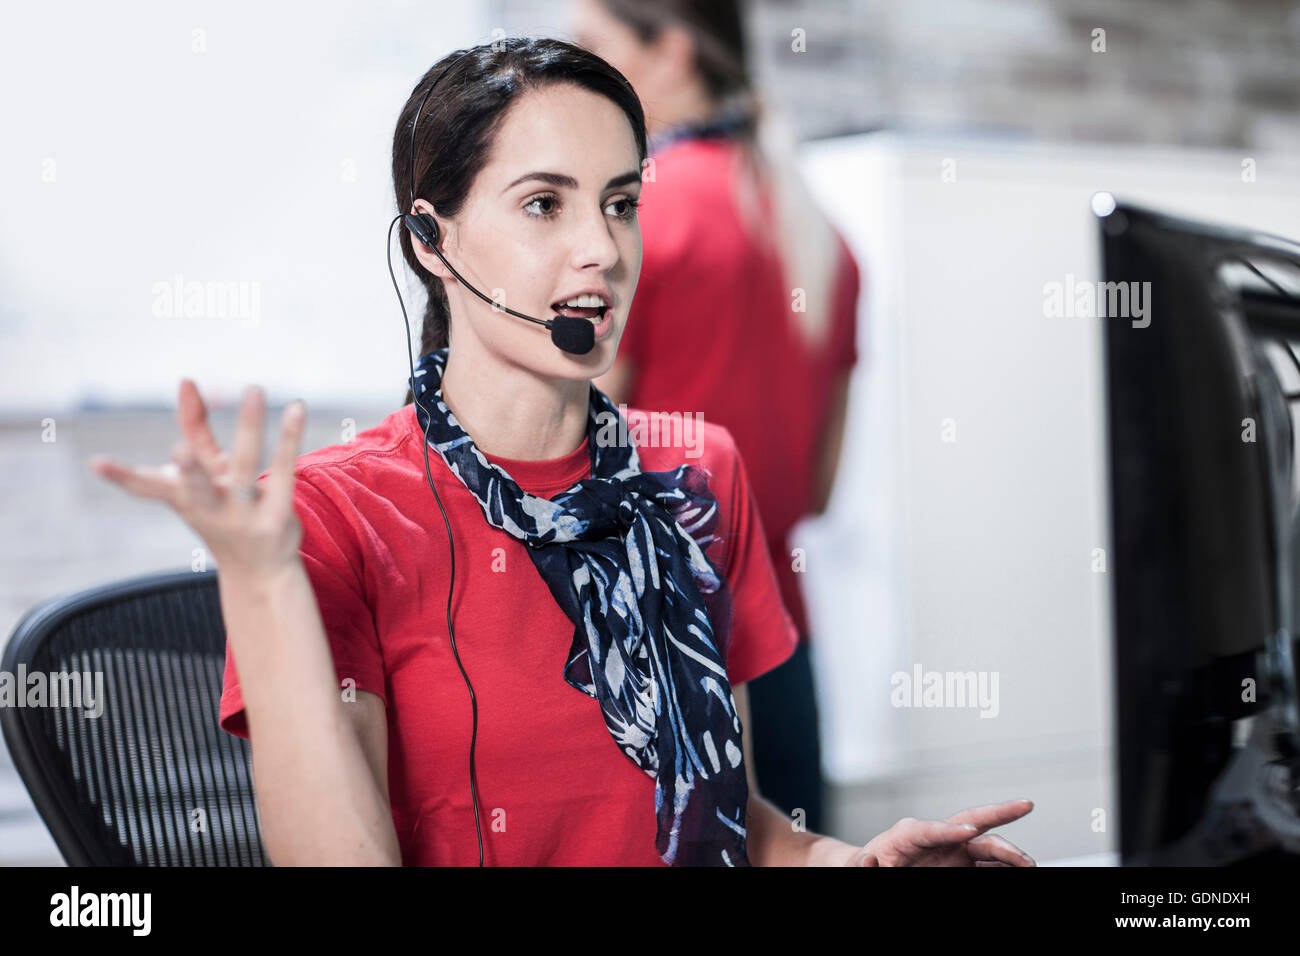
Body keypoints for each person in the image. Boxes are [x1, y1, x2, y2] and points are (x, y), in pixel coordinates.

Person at [89, 37, 1034, 866]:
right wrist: (261, 588)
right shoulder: (330, 516)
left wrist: (851, 863)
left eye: (621, 203)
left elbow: (734, 827)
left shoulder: (697, 475)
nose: (605, 250)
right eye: (545, 204)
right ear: (432, 239)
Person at [569, 0, 856, 834]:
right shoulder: (823, 235)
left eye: (596, 49)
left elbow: (572, 444)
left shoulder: (637, 223)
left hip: (655, 639)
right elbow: (823, 486)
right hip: (784, 641)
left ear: (673, 55)